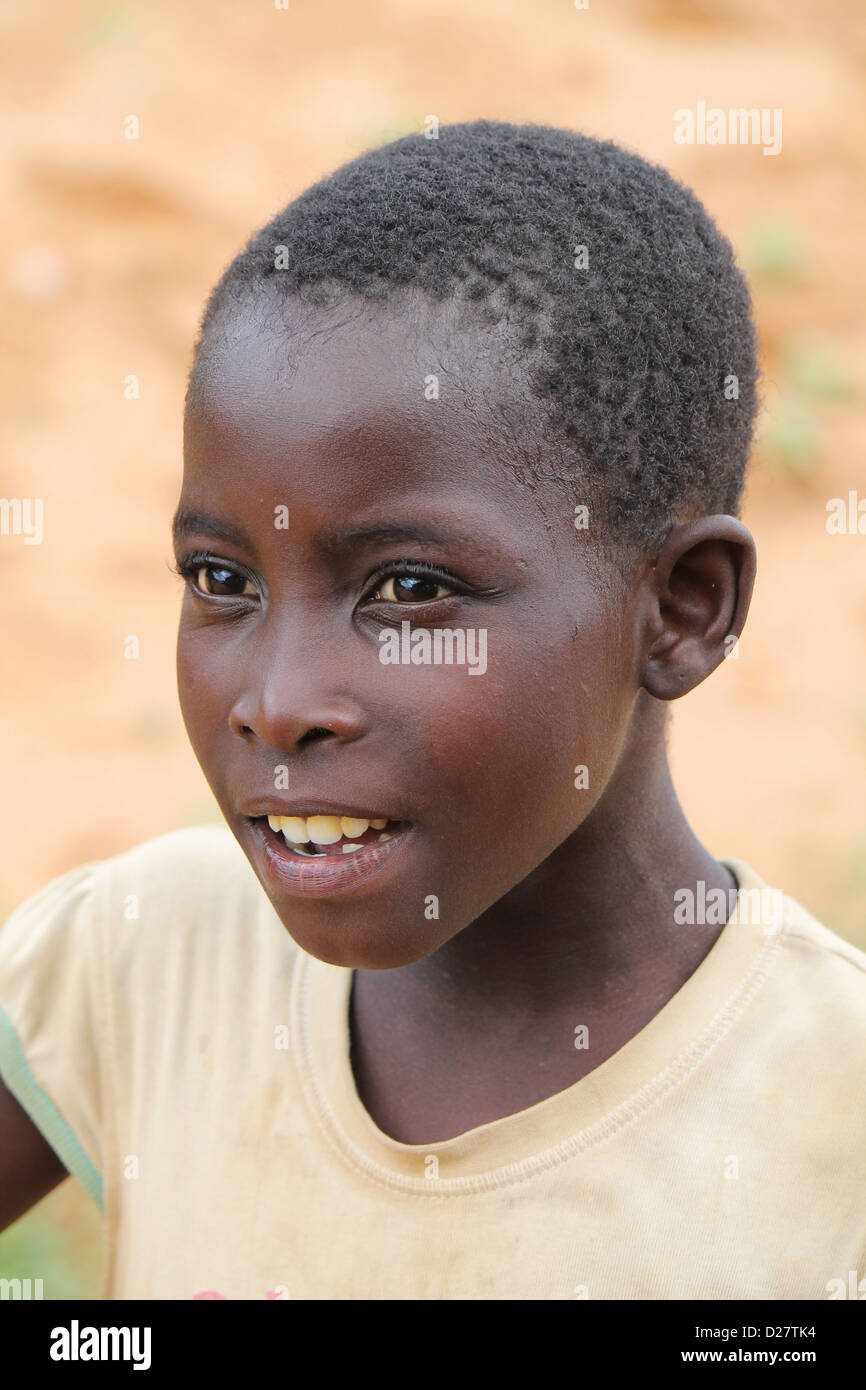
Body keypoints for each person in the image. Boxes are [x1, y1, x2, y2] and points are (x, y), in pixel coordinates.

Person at [1, 120, 863, 1300]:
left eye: (409, 591)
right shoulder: (142, 960)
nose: (278, 701)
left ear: (678, 609)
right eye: (223, 580)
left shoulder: (828, 1122)